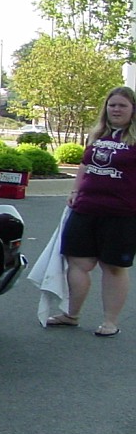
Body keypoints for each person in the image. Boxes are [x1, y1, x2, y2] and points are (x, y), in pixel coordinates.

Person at [47, 85, 136, 337]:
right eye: (112, 105)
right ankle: (71, 314)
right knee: (78, 262)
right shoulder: (98, 135)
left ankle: (110, 321)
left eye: (122, 105)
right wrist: (75, 191)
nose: (116, 109)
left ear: (133, 110)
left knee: (114, 266)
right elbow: (85, 166)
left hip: (122, 213)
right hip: (86, 208)